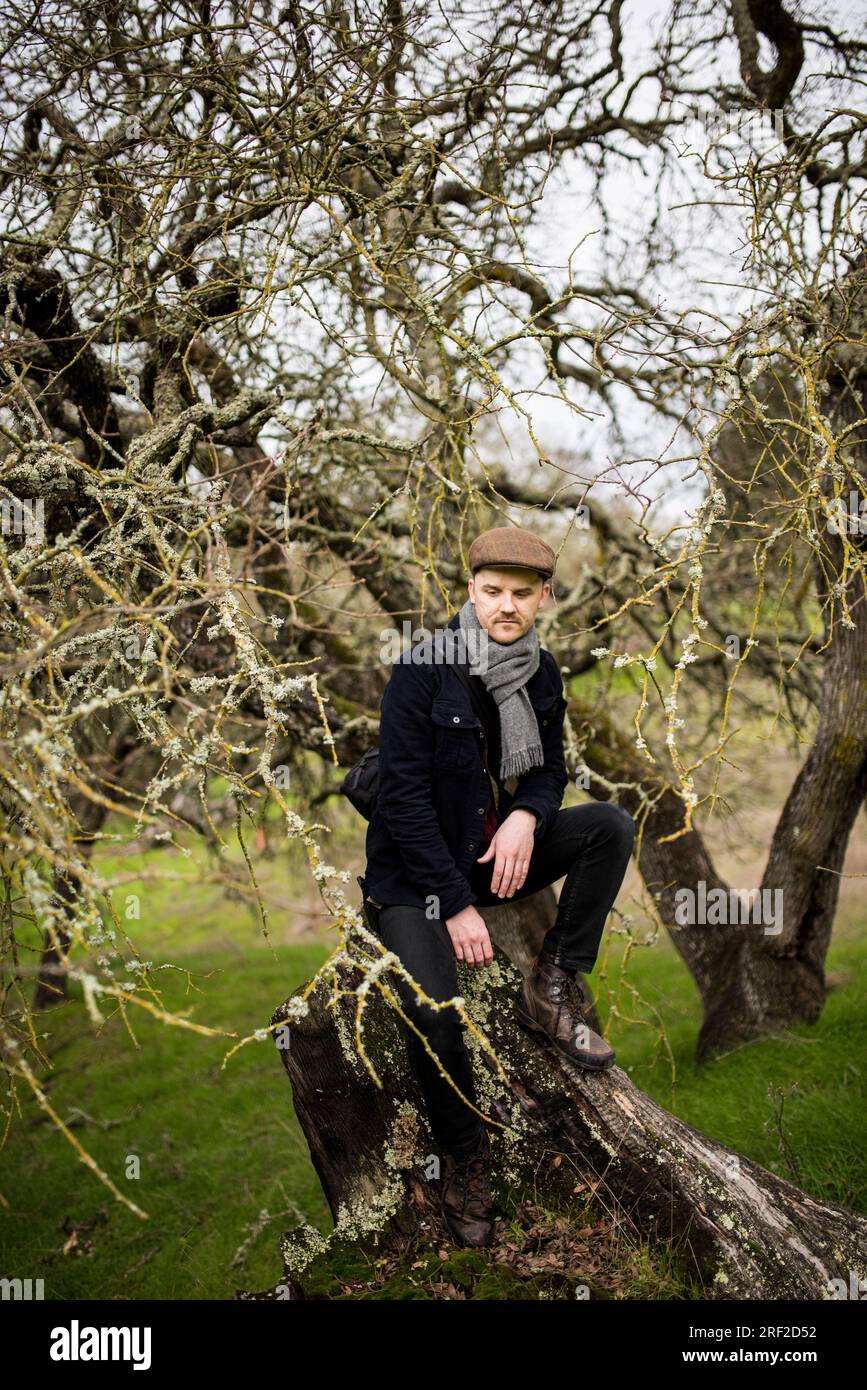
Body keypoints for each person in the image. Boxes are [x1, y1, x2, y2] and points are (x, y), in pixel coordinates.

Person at [360, 525, 636, 1247]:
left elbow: (548, 770)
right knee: (437, 1012)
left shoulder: (540, 673)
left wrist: (523, 817)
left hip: (490, 854)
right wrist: (452, 905)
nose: (504, 608)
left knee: (607, 825)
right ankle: (464, 1154)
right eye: (491, 593)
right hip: (414, 879)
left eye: (520, 595)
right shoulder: (423, 668)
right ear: (470, 591)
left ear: (543, 597)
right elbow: (403, 800)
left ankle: (553, 986)